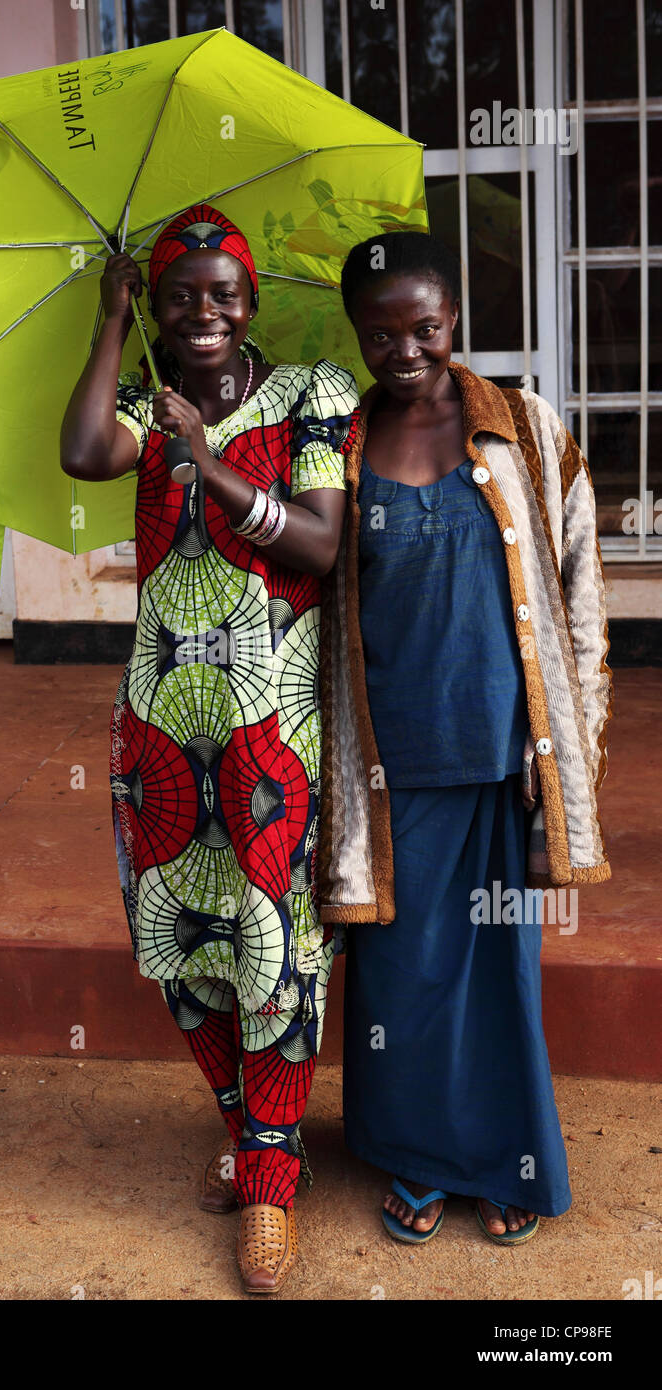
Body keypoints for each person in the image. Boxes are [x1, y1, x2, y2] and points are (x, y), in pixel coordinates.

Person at [59, 203, 357, 1292]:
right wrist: (110, 315)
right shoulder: (144, 398)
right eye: (178, 296)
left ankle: (271, 1183)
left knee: (275, 944)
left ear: (251, 303)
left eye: (219, 294)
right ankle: (250, 1141)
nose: (200, 314)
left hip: (269, 722)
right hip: (159, 724)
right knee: (183, 945)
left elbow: (320, 545)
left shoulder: (312, 394)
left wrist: (210, 462)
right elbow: (84, 450)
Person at [315, 230, 613, 1245]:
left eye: (424, 326)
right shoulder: (341, 445)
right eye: (381, 331)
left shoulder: (522, 428)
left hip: (500, 754)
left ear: (454, 320)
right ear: (357, 333)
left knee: (494, 970)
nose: (405, 348)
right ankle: (411, 1158)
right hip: (389, 762)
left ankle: (505, 1161)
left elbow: (576, 591)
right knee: (400, 971)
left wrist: (576, 759)